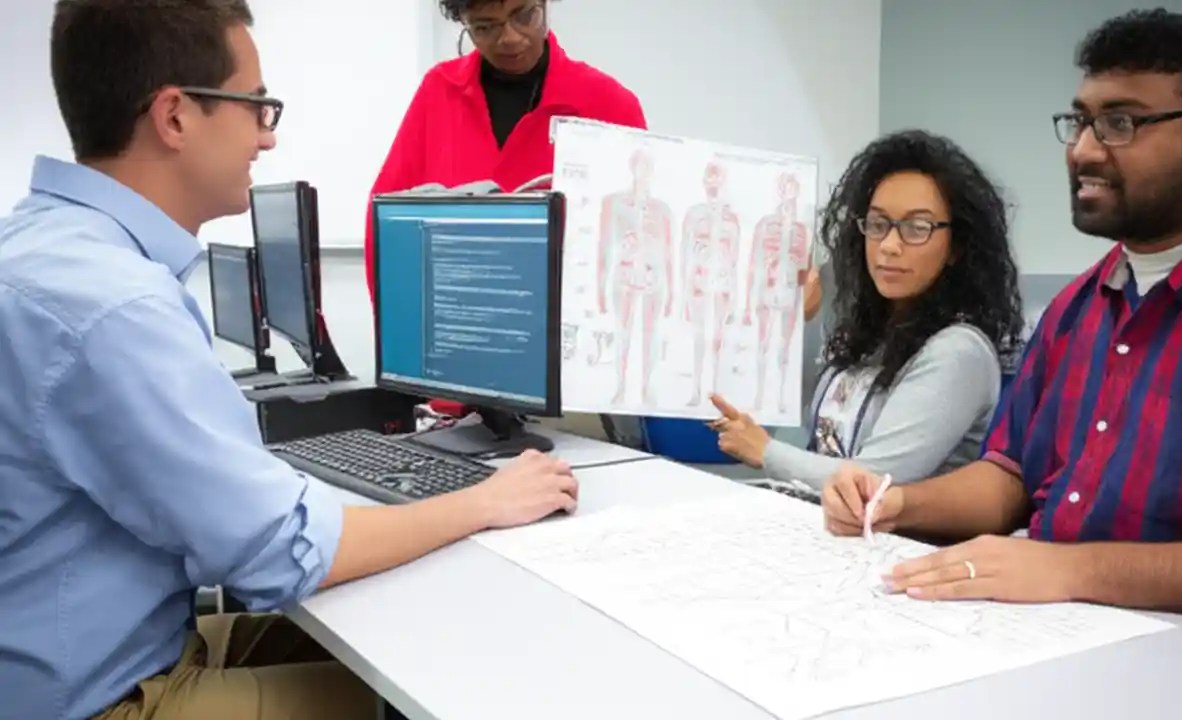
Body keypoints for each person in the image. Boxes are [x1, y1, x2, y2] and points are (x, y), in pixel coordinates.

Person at [0, 3, 578, 719]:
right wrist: (484, 501)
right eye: (257, 108)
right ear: (175, 117)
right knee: (446, 696)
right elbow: (281, 554)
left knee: (396, 638)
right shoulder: (115, 307)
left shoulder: (44, 247)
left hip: (98, 649)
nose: (267, 139)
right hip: (99, 698)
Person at [825, 10, 1182, 633]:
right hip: (1056, 634)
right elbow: (1009, 477)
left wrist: (1073, 571)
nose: (1084, 150)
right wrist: (895, 502)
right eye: (1082, 121)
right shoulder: (1077, 307)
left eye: (1121, 123)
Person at [710, 129, 1024, 488]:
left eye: (917, 228)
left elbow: (874, 480)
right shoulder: (871, 332)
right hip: (826, 528)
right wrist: (793, 321)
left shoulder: (958, 351)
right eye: (877, 224)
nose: (889, 245)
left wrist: (766, 452)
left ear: (957, 246)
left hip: (900, 542)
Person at [364, 0, 647, 299]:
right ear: (465, 23)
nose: (510, 38)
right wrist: (397, 330)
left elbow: (637, 235)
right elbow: (385, 224)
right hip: (457, 322)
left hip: (565, 328)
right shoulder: (439, 93)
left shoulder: (608, 104)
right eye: (486, 27)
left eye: (524, 15)